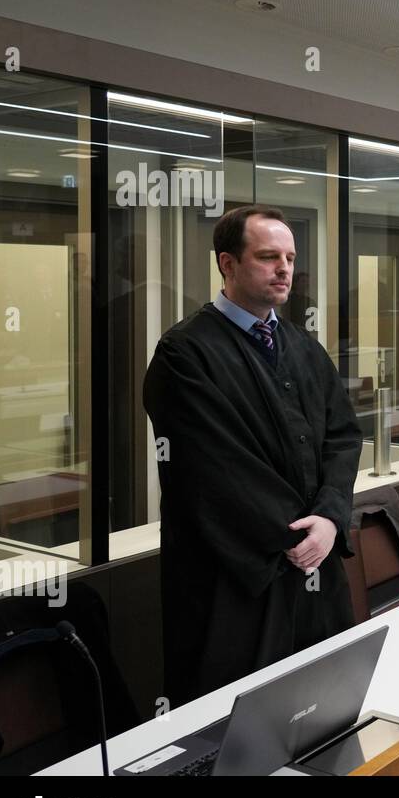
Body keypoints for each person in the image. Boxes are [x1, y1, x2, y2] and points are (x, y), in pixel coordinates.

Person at [143, 205, 362, 706]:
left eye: (289, 257)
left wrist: (328, 519)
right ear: (228, 263)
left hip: (316, 560)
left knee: (323, 709)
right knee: (237, 730)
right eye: (267, 257)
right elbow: (212, 468)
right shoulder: (185, 354)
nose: (284, 268)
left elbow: (344, 437)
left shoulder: (303, 347)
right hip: (236, 578)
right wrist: (293, 533)